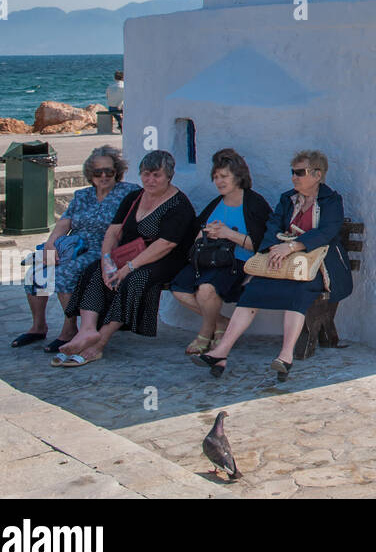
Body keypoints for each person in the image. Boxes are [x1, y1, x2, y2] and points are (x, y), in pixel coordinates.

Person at [196, 149, 352, 383]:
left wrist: (291, 247)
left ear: (317, 174)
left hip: (318, 265)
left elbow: (326, 232)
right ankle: (221, 352)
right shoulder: (287, 198)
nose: (294, 177)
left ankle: (285, 356)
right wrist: (271, 250)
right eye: (293, 172)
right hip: (283, 260)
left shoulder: (331, 200)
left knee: (299, 291)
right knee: (253, 290)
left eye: (300, 173)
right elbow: (272, 226)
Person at [53, 150, 195, 367]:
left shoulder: (178, 205)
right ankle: (87, 331)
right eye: (146, 174)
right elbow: (113, 232)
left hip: (165, 260)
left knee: (132, 280)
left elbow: (165, 244)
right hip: (129, 254)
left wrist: (128, 268)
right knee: (93, 272)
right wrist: (106, 261)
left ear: (169, 176)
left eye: (156, 175)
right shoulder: (134, 197)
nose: (150, 180)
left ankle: (99, 343)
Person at [13, 146, 138, 352]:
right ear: (90, 174)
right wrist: (50, 245)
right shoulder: (82, 196)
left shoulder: (128, 192)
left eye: (109, 171)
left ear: (117, 171)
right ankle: (38, 327)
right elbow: (64, 223)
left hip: (104, 249)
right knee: (35, 273)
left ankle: (70, 329)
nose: (104, 176)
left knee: (65, 272)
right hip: (76, 247)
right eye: (98, 172)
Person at [169, 148, 272, 355]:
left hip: (238, 263)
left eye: (224, 176)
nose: (219, 181)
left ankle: (206, 331)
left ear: (238, 176)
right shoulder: (216, 203)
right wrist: (205, 234)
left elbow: (263, 245)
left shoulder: (254, 203)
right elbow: (198, 232)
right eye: (216, 177)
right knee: (179, 288)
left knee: (207, 289)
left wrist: (227, 234)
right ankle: (221, 322)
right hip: (211, 260)